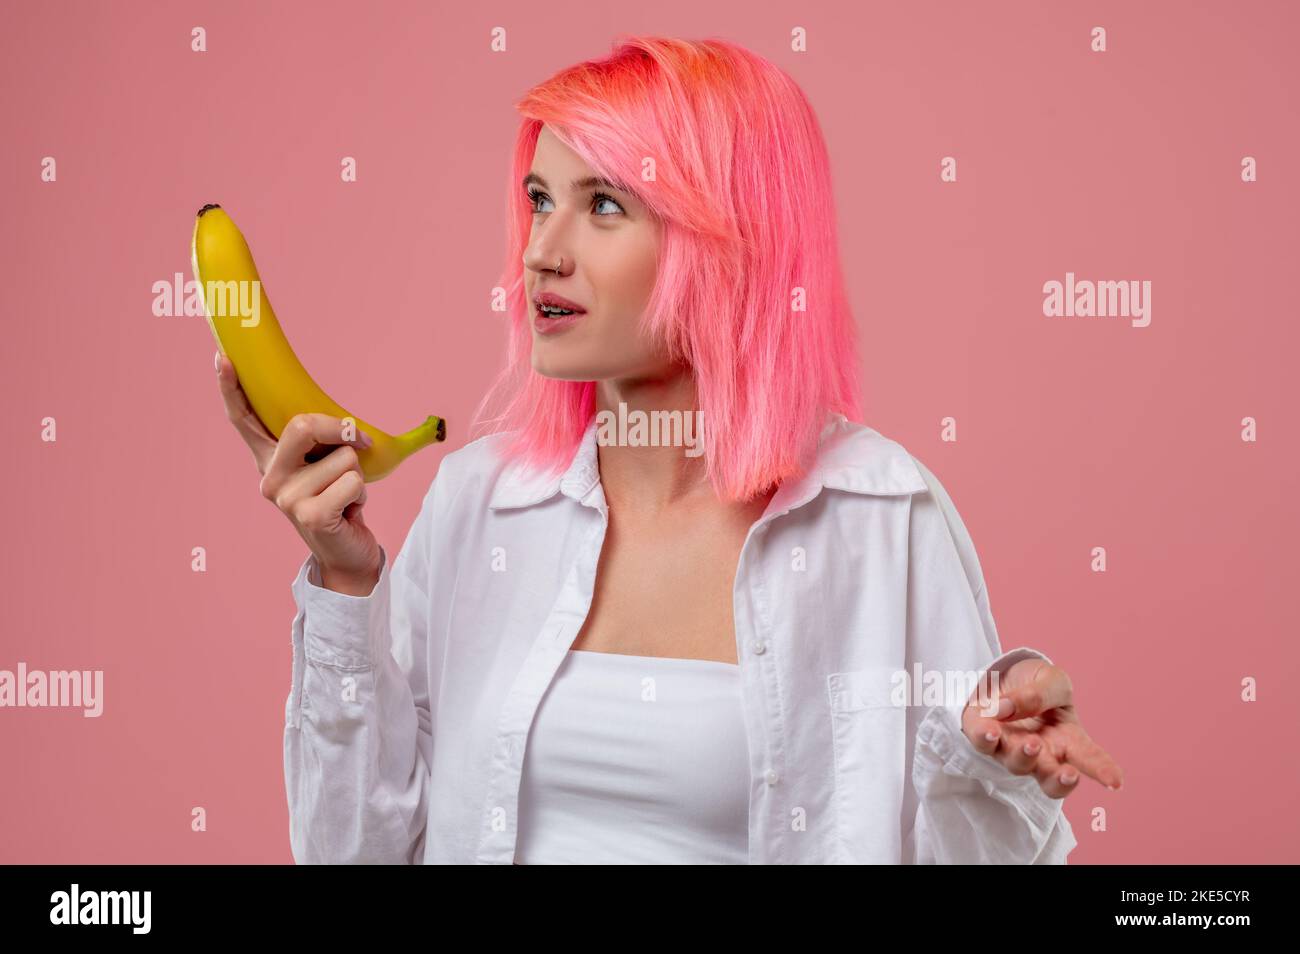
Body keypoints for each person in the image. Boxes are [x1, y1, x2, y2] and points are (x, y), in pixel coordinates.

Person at [215, 35, 1123, 864]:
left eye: (603, 205)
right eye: (539, 201)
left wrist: (994, 769)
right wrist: (344, 585)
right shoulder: (478, 506)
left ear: (727, 243)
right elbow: (354, 855)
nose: (540, 253)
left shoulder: (882, 514)